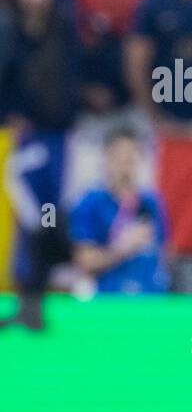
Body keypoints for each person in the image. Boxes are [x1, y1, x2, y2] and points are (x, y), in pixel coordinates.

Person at [68, 126, 169, 294]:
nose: (124, 168)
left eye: (130, 159)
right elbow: (84, 262)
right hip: (110, 299)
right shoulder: (90, 202)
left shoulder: (152, 202)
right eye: (118, 159)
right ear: (105, 160)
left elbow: (165, 252)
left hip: (152, 298)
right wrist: (122, 249)